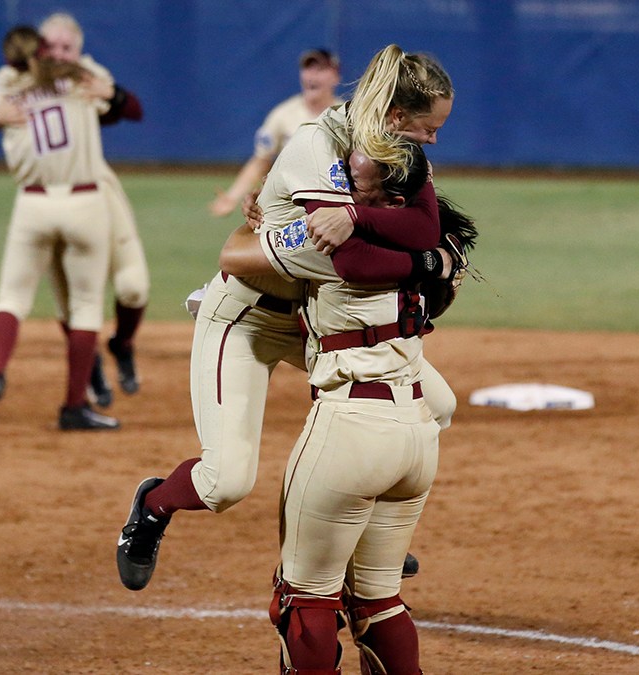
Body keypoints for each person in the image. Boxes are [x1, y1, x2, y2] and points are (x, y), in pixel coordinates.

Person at [114, 45, 457, 595]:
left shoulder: (395, 155)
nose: (434, 140)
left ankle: (366, 536)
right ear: (396, 117)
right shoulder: (317, 146)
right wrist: (432, 263)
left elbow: (421, 231)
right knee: (226, 482)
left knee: (436, 405)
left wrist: (417, 250)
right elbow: (353, 261)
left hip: (314, 323)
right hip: (247, 316)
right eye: (429, 127)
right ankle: (152, 505)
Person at [0, 13, 150, 407]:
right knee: (82, 305)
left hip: (35, 201)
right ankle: (77, 399)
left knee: (13, 296)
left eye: (68, 47)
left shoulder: (8, 85)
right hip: (84, 199)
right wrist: (111, 95)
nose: (60, 54)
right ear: (41, 48)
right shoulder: (78, 78)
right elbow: (129, 109)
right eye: (53, 46)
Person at [208, 49, 342, 217]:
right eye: (308, 68)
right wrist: (232, 197)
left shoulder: (346, 115)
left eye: (320, 70)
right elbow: (261, 160)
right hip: (291, 205)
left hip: (335, 204)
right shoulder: (283, 114)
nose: (312, 76)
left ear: (335, 76)